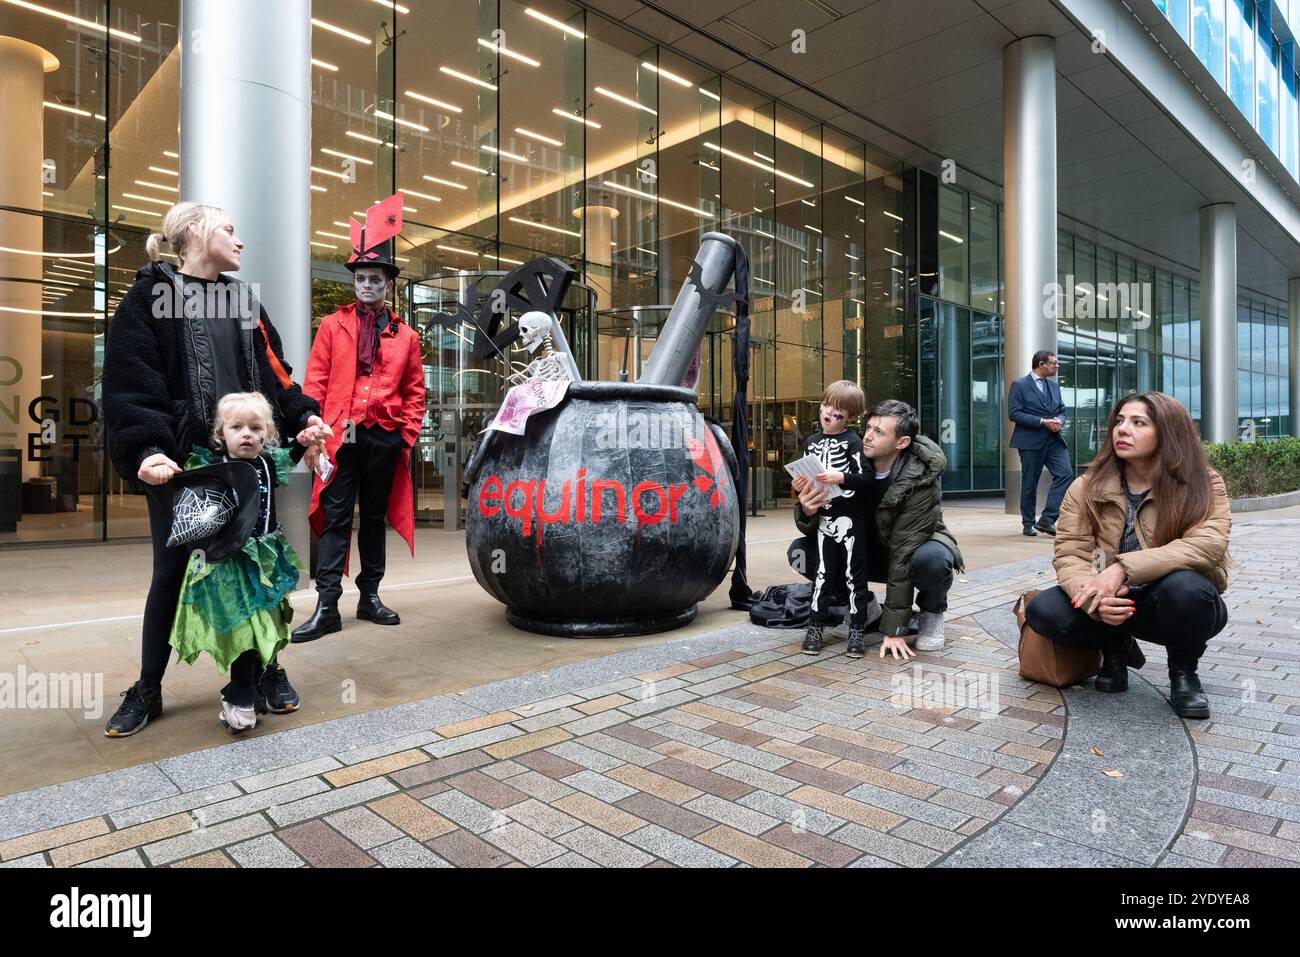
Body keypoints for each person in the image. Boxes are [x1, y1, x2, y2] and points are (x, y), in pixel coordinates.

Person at [102, 201, 328, 737]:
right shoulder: (148, 298)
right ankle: (148, 688)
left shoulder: (244, 301)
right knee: (172, 572)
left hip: (250, 466)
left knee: (260, 570)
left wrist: (303, 416)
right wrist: (148, 450)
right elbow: (131, 386)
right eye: (228, 229)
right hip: (187, 469)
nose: (239, 239)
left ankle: (267, 671)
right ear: (195, 233)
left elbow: (278, 377)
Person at [1024, 392, 1230, 719]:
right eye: (1119, 421)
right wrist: (1092, 598)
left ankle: (1184, 672)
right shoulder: (1087, 486)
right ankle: (1114, 650)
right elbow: (1071, 553)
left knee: (1187, 590)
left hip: (1167, 601)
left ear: (1168, 433)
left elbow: (1207, 544)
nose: (1123, 429)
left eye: (1138, 423)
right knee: (1044, 611)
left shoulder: (1202, 483)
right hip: (1110, 597)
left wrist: (1121, 569)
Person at [293, 194, 425, 642]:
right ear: (355, 283)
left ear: (388, 284)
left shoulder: (406, 335)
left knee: (372, 518)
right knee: (334, 517)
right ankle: (327, 604)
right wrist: (313, 428)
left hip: (384, 437)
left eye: (375, 279)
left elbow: (415, 392)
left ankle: (370, 596)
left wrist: (404, 435)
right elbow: (315, 380)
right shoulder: (332, 325)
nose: (367, 285)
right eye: (361, 278)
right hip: (340, 435)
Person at [168, 393, 303, 733]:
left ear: (267, 434)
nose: (246, 434)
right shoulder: (213, 465)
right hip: (229, 564)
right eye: (237, 427)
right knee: (243, 628)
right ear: (221, 433)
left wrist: (304, 438)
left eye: (255, 427)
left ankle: (250, 691)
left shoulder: (269, 464)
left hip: (266, 560)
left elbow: (292, 454)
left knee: (265, 626)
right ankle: (241, 694)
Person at [792, 400, 964, 659]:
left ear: (902, 442)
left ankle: (932, 612)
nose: (868, 436)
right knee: (802, 552)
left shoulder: (920, 477)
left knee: (933, 560)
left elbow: (904, 551)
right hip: (866, 545)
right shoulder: (855, 463)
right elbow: (827, 523)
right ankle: (867, 607)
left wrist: (895, 629)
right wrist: (807, 510)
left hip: (912, 546)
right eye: (868, 427)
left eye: (879, 432)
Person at [792, 380, 869, 656]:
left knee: (854, 576)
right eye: (826, 406)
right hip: (824, 517)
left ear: (850, 417)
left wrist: (842, 477)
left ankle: (857, 628)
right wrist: (801, 487)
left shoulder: (854, 443)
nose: (829, 415)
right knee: (822, 575)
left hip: (850, 519)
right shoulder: (811, 442)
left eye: (838, 413)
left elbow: (866, 480)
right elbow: (805, 477)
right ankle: (815, 625)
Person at [1009, 350, 1072, 536]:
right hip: (1030, 441)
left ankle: (1047, 519)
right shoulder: (1020, 385)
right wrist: (1042, 422)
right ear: (1042, 364)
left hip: (1054, 440)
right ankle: (1028, 523)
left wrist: (1059, 421)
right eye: (1054, 363)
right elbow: (1014, 413)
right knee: (1030, 483)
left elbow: (1062, 410)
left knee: (1066, 474)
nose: (1057, 366)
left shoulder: (1054, 387)